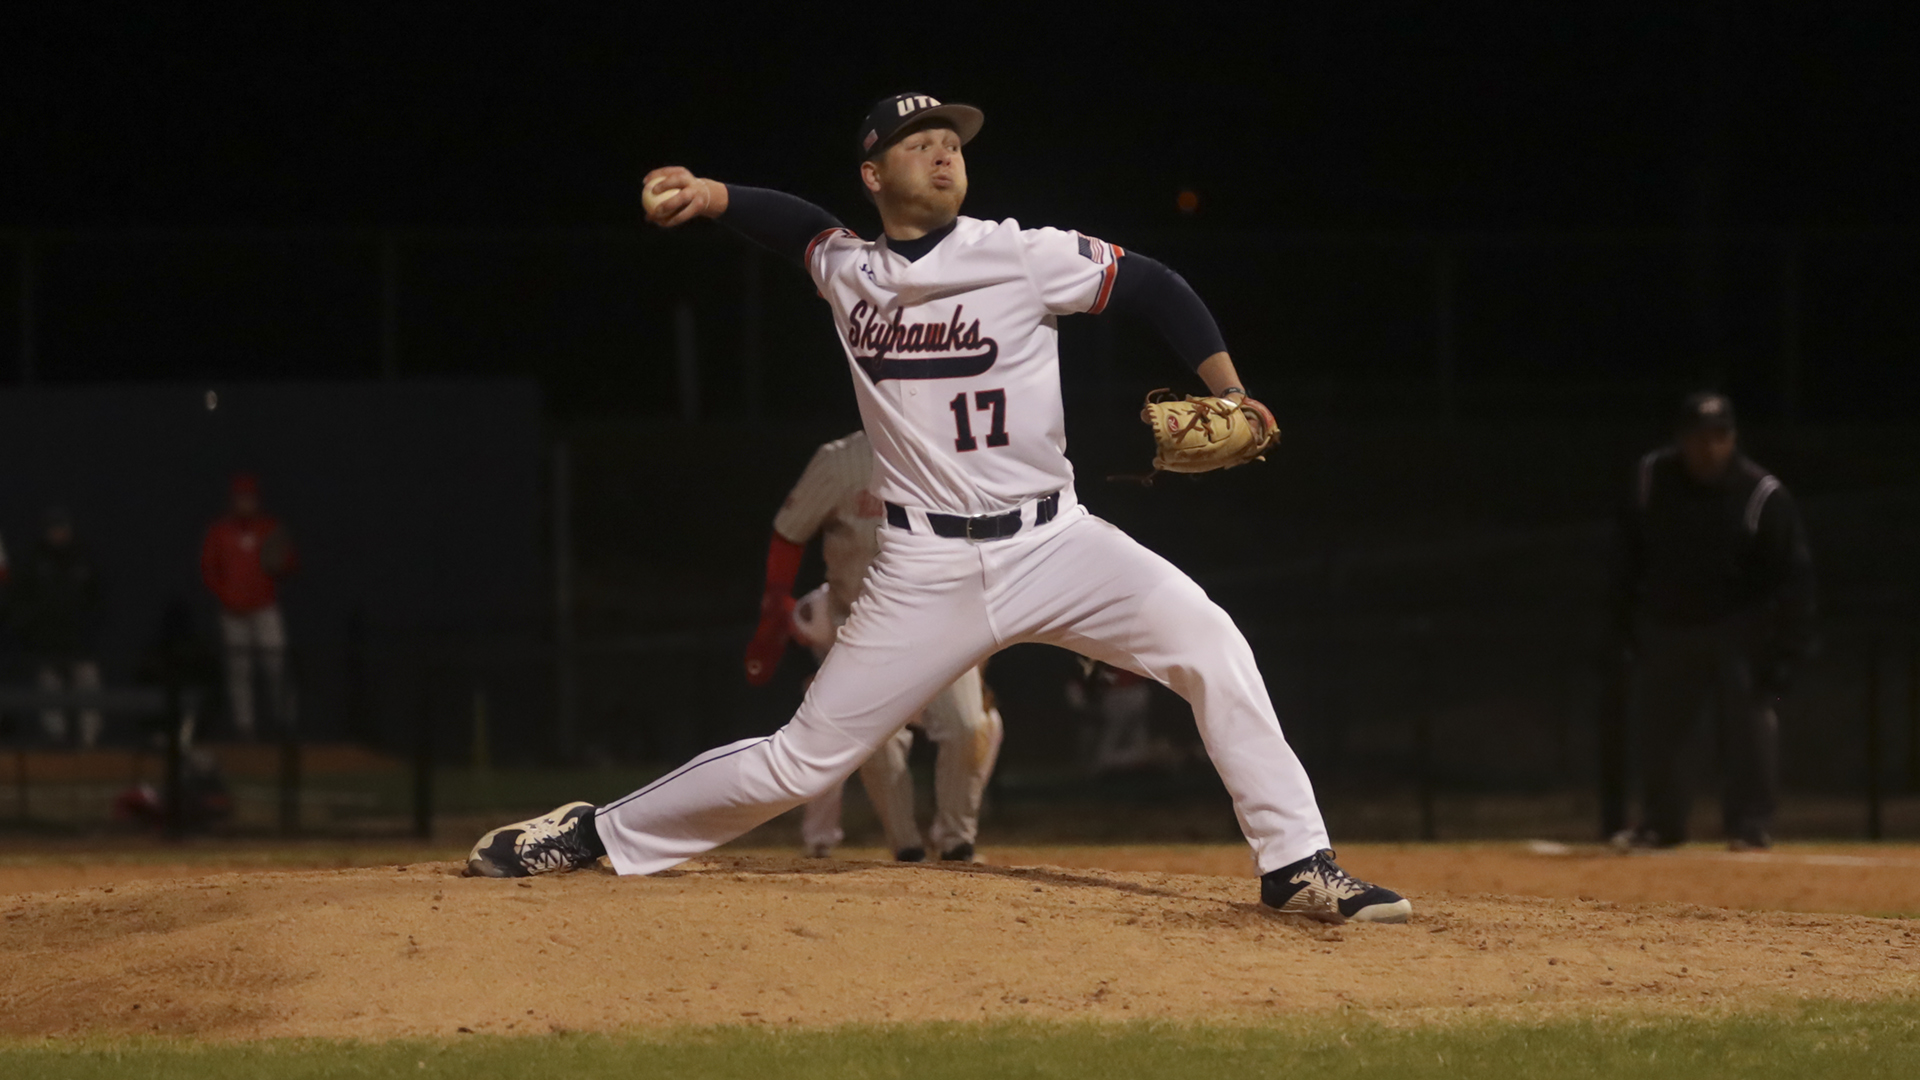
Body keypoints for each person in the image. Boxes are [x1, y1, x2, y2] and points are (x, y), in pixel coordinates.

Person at [466, 93, 1411, 924]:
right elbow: (796, 225)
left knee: (1212, 645)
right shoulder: (850, 271)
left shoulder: (1023, 255)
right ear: (874, 174)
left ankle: (1296, 863)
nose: (945, 148)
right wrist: (712, 194)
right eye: (919, 140)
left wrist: (1232, 390)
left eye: (953, 137)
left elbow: (1155, 284)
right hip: (923, 570)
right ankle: (595, 832)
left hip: (1057, 540)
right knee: (803, 763)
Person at [745, 430, 1004, 862]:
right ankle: (903, 849)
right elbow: (788, 534)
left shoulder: (956, 451)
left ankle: (957, 843)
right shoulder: (839, 461)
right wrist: (773, 609)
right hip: (863, 629)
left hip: (941, 627)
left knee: (968, 725)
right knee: (872, 740)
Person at [1606, 392, 1815, 852]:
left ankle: (1750, 825)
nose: (1708, 447)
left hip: (1740, 627)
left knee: (1751, 726)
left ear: (1733, 437)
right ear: (1680, 439)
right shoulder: (1651, 479)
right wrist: (1624, 621)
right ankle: (1662, 824)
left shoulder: (1761, 493)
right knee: (1661, 729)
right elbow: (1627, 555)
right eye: (1698, 436)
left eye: (1719, 436)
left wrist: (1787, 649)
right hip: (1667, 623)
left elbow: (1793, 577)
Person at [200, 473, 298, 740]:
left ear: (257, 500)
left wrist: (283, 562)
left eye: (249, 497)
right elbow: (208, 569)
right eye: (240, 497)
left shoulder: (269, 527)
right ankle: (245, 728)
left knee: (276, 664)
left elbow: (288, 563)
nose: (245, 502)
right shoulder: (219, 531)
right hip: (233, 613)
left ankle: (285, 722)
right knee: (238, 672)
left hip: (265, 608)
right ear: (233, 500)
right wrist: (225, 596)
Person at [8, 508, 104, 747]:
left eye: (62, 528)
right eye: (54, 529)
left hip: (81, 641)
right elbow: (21, 600)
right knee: (50, 695)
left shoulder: (84, 558)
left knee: (88, 691)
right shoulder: (34, 560)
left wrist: (90, 630)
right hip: (46, 641)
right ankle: (57, 741)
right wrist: (33, 633)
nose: (58, 533)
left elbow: (98, 600)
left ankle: (90, 742)